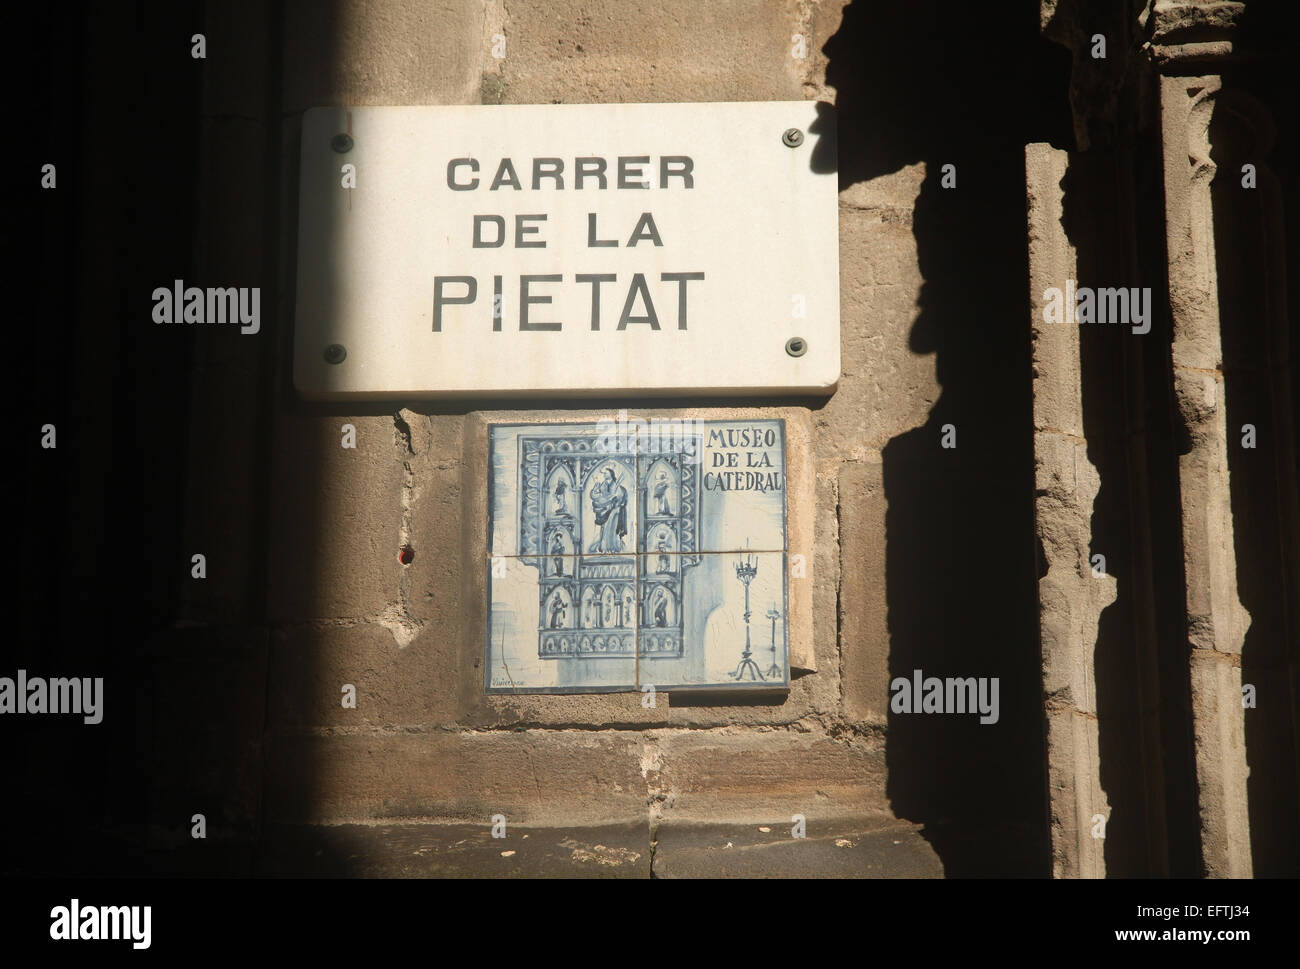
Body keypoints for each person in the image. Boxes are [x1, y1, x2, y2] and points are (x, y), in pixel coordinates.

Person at [587, 467, 628, 553]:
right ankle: (605, 548)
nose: (604, 474)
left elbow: (619, 496)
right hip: (604, 511)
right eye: (604, 473)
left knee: (612, 528)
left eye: (606, 473)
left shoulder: (616, 485)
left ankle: (613, 548)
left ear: (611, 474)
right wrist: (596, 492)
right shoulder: (603, 485)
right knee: (605, 529)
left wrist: (614, 501)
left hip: (614, 511)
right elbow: (597, 496)